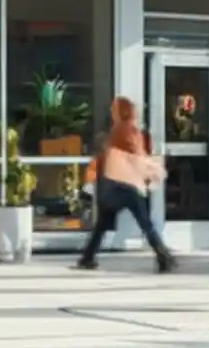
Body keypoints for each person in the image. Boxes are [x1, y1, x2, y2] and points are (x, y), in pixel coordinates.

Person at [75, 96, 176, 273]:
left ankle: (88, 257)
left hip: (115, 184)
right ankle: (163, 257)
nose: (112, 112)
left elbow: (113, 157)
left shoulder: (118, 131)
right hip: (128, 185)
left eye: (114, 109)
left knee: (104, 224)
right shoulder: (131, 131)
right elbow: (138, 156)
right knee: (144, 223)